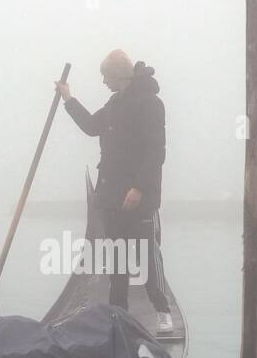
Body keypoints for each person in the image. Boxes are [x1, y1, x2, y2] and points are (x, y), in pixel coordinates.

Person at [56, 49, 173, 334]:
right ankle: (118, 316)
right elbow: (91, 126)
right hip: (110, 195)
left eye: (105, 76)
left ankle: (162, 311)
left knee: (146, 254)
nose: (104, 82)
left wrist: (139, 189)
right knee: (117, 257)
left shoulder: (151, 105)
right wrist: (68, 99)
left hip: (139, 197)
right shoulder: (113, 104)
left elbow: (155, 152)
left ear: (119, 75)